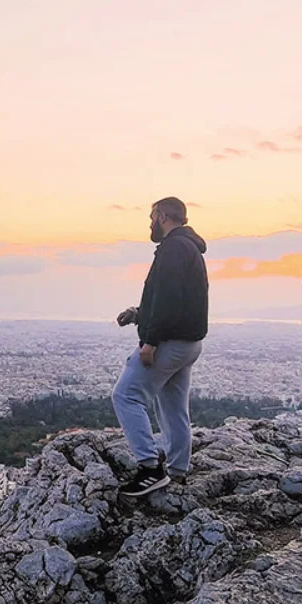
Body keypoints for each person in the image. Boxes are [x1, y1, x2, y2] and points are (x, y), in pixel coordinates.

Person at [112, 197, 209, 496]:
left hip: (169, 341)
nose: (149, 223)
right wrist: (140, 314)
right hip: (189, 342)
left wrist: (150, 341)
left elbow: (168, 299)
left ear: (163, 216)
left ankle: (150, 468)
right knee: (172, 406)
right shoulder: (188, 247)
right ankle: (178, 469)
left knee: (126, 395)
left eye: (152, 216)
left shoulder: (173, 248)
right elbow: (176, 299)